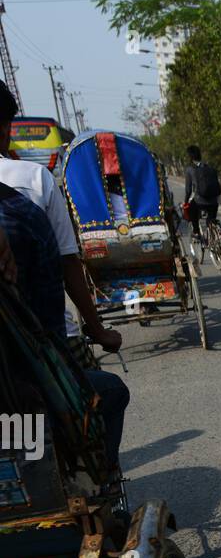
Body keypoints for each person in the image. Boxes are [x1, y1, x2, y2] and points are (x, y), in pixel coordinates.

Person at [0, 182, 129, 467]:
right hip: (17, 408)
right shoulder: (21, 212)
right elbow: (47, 325)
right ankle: (95, 486)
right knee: (110, 390)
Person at [0, 79, 123, 359]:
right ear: (7, 129)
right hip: (45, 341)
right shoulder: (34, 180)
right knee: (111, 393)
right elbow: (68, 261)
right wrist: (98, 330)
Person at [184, 144, 221, 240]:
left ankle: (196, 232)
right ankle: (213, 231)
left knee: (192, 210)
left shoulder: (189, 169)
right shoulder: (209, 167)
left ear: (190, 157)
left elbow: (188, 190)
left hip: (200, 202)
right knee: (211, 220)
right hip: (214, 202)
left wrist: (186, 202)